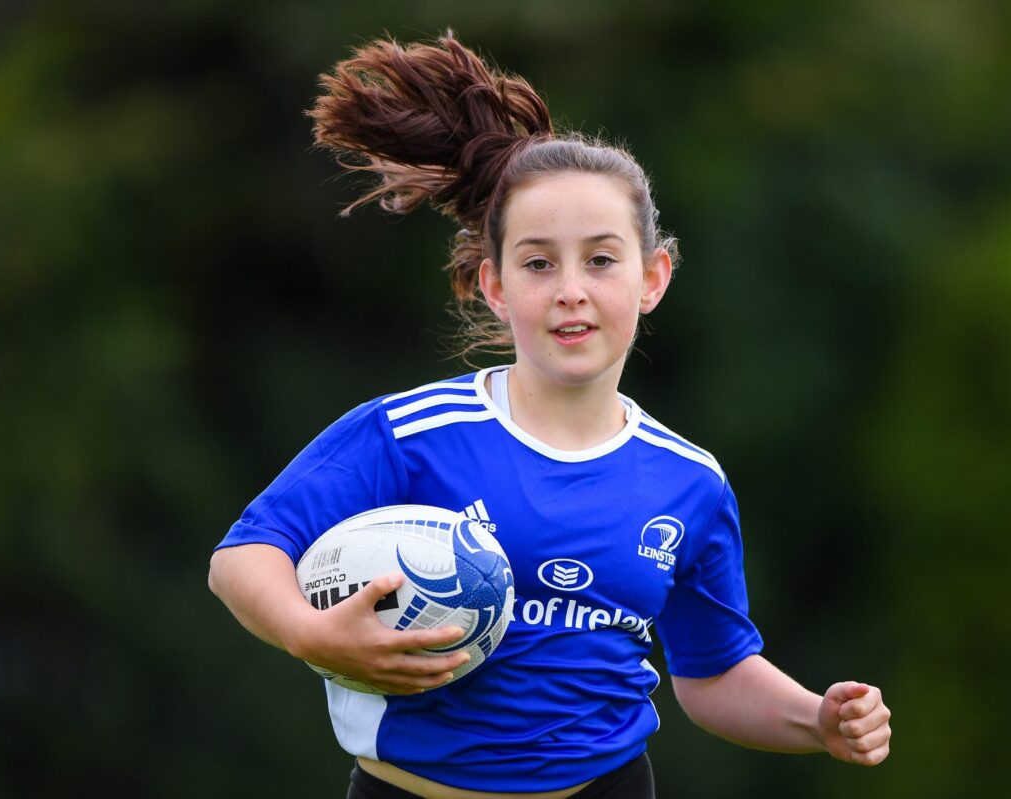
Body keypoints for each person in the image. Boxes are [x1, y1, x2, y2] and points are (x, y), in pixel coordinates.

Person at [208, 31, 891, 799]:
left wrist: (816, 718)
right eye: (539, 263)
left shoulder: (688, 482)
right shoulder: (408, 435)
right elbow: (243, 557)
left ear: (652, 276)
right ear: (494, 284)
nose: (571, 289)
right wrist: (310, 631)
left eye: (601, 259)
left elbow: (713, 672)